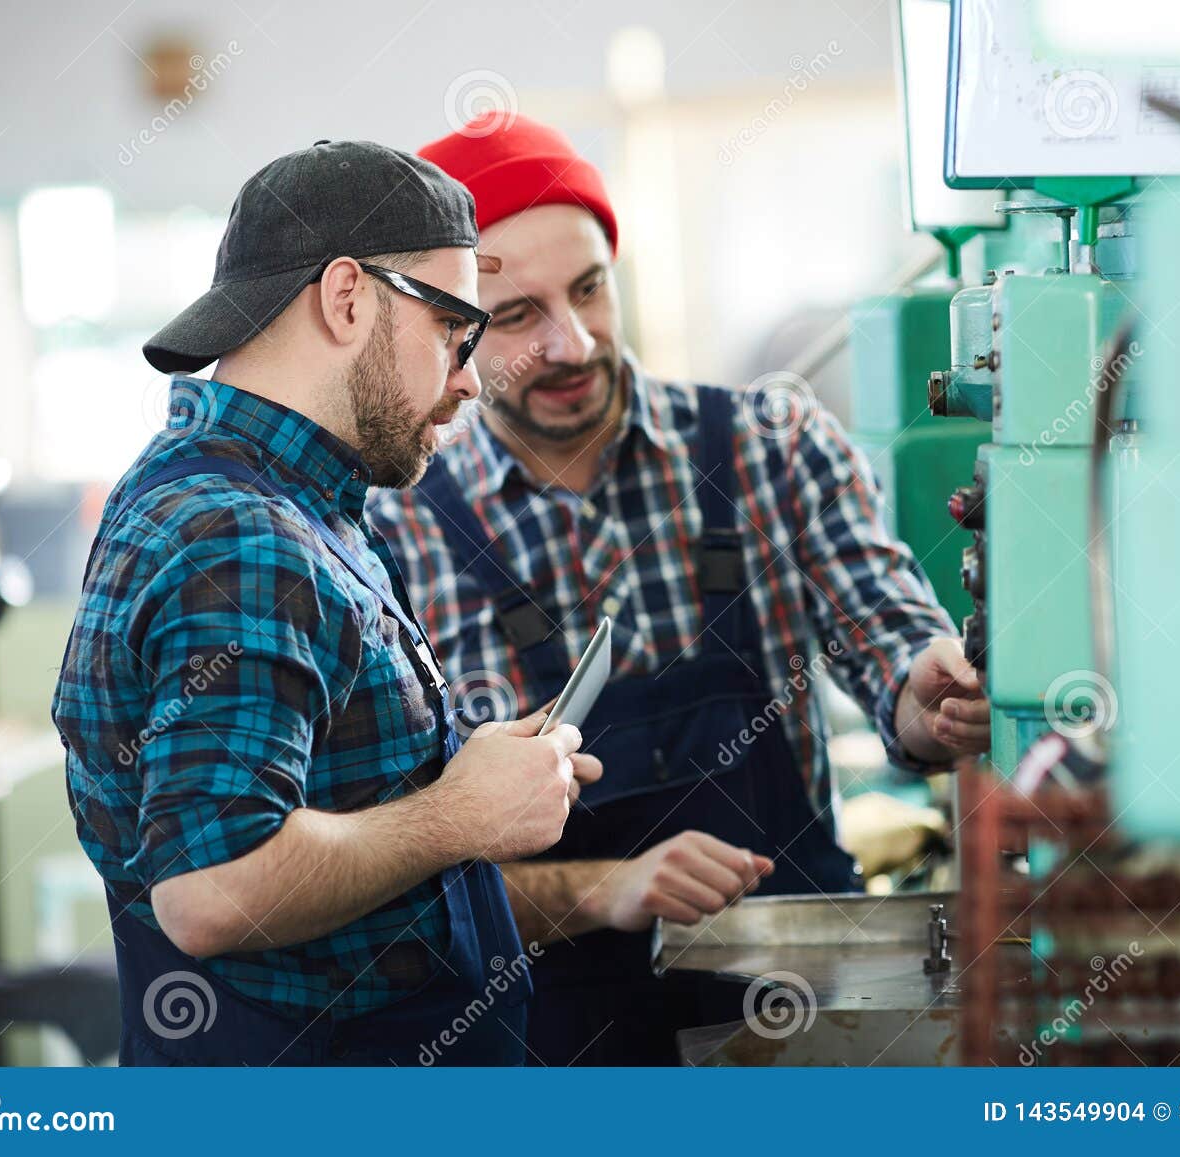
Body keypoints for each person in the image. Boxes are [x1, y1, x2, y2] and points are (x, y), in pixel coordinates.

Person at [369, 114, 991, 1065]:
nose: (574, 345)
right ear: (453, 331)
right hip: (557, 1049)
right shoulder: (400, 536)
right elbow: (414, 881)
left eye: (589, 290)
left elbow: (893, 644)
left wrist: (930, 695)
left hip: (803, 1021)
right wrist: (612, 882)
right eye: (520, 316)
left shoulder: (769, 447)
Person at [52, 139, 600, 1066]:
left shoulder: (279, 497)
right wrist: (457, 817)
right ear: (348, 298)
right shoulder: (243, 537)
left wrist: (457, 777)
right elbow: (212, 888)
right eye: (453, 332)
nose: (470, 376)